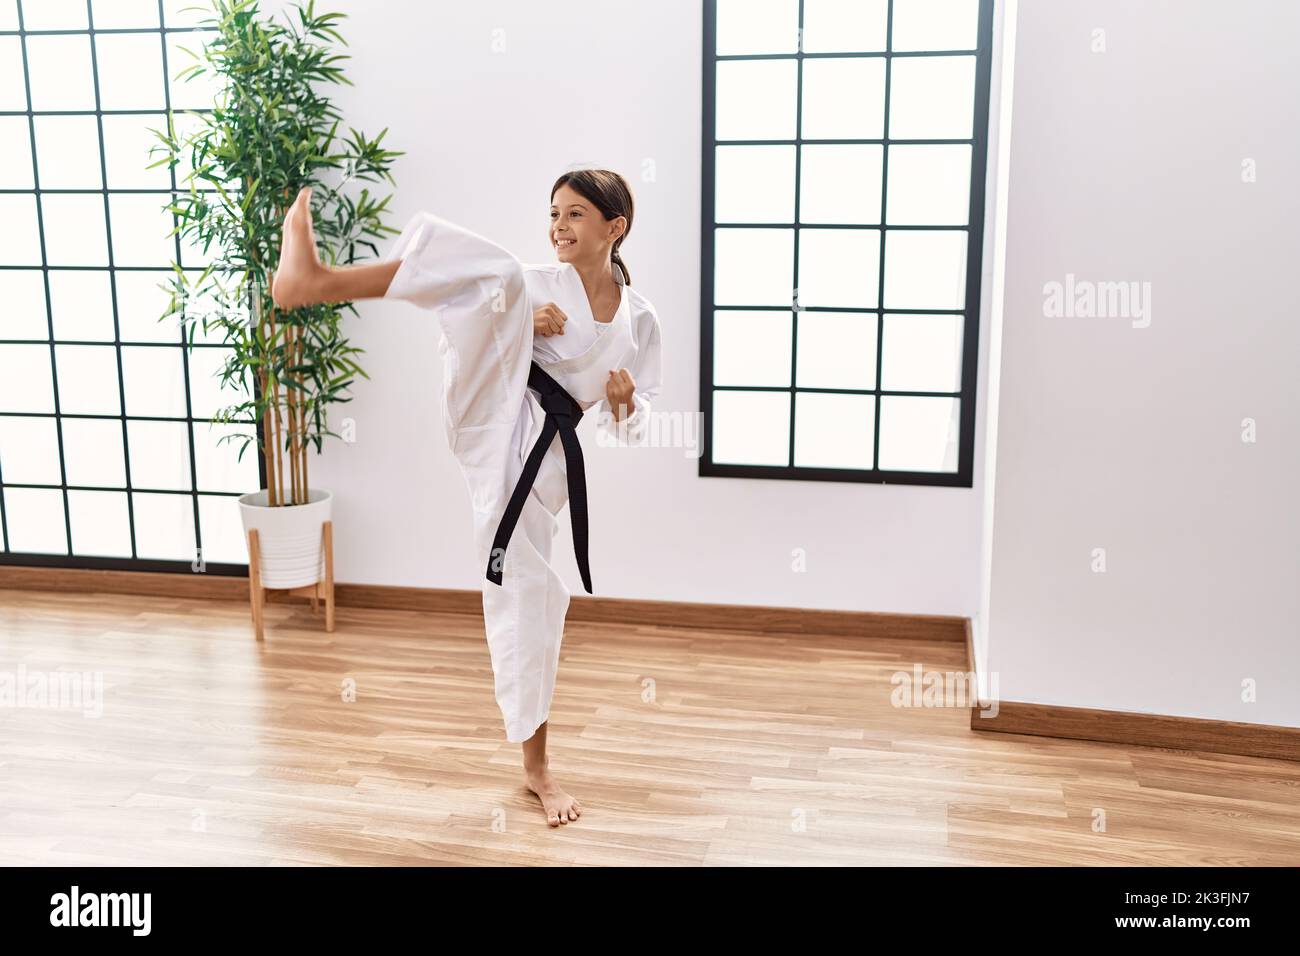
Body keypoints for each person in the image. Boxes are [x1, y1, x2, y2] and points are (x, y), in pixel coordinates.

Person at [270, 169, 663, 826]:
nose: (557, 228)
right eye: (554, 213)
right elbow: (468, 326)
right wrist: (519, 324)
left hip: (544, 464)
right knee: (502, 279)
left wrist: (624, 404)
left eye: (573, 216)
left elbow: (636, 419)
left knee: (534, 601)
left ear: (613, 227)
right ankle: (316, 283)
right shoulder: (535, 280)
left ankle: (536, 769)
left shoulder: (640, 320)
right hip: (495, 410)